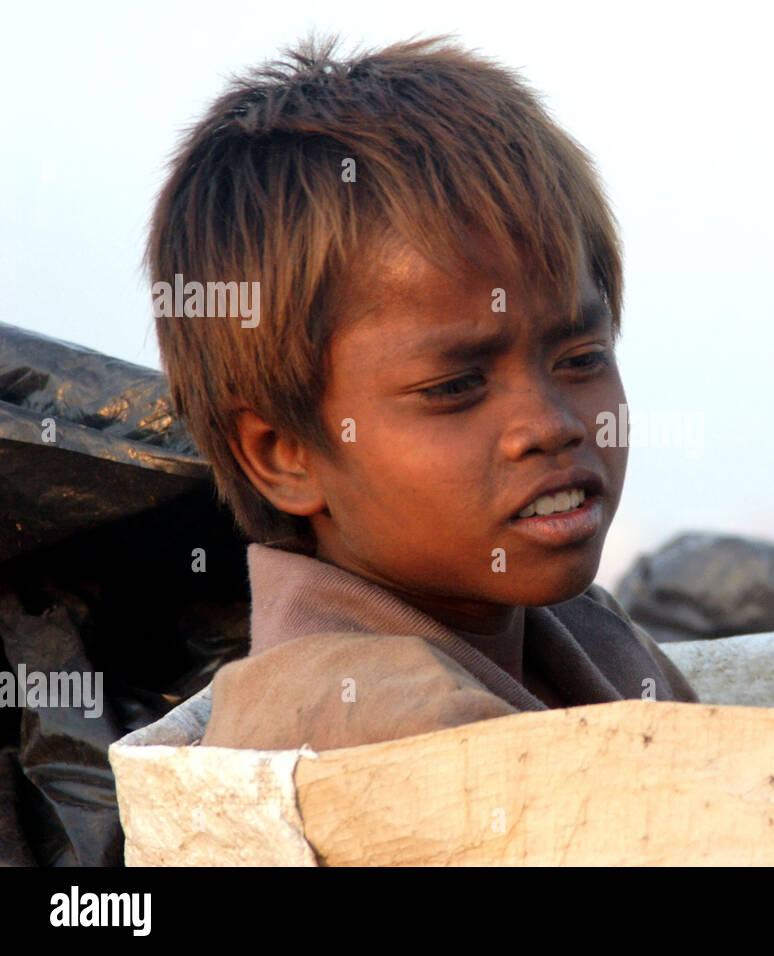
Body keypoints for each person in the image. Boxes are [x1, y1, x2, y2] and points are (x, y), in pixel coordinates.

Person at [146, 34, 697, 750]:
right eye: (456, 387)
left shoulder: (577, 635)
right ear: (286, 455)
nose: (549, 425)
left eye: (581, 356)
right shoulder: (378, 733)